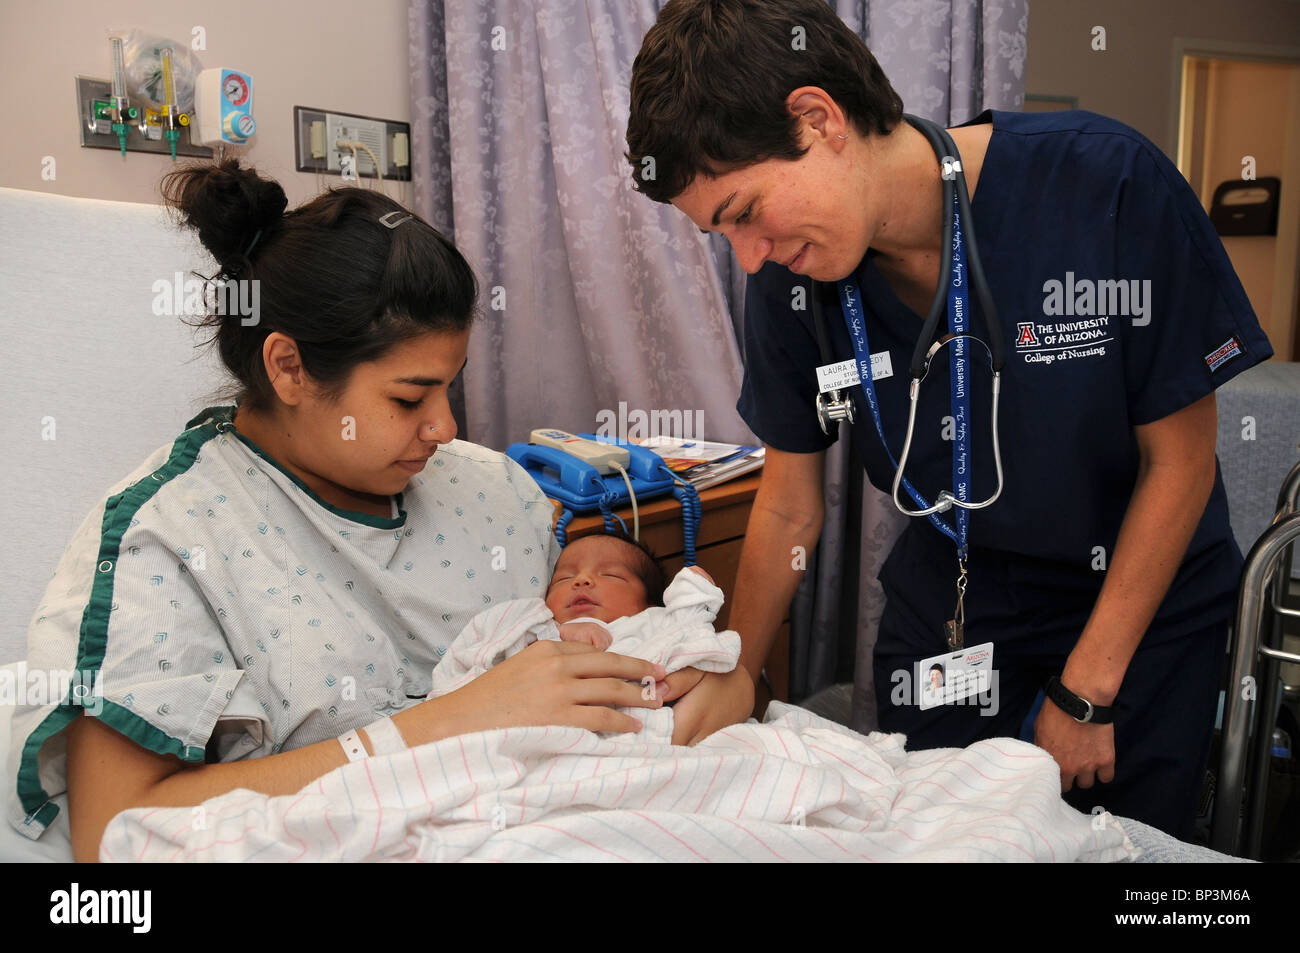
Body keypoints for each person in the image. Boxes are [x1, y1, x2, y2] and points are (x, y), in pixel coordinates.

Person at [624, 0, 1273, 837]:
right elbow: (788, 503)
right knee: (921, 830)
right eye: (723, 233)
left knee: (1123, 848)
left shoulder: (1105, 186)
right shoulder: (792, 286)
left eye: (744, 212)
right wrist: (739, 668)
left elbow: (1180, 464)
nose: (748, 255)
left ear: (818, 119)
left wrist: (1086, 688)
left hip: (1136, 593)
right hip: (958, 594)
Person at [7, 160, 666, 862]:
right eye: (409, 399)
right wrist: (446, 724)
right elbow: (117, 829)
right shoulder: (165, 543)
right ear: (288, 367)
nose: (445, 427)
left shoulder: (495, 493)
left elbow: (600, 650)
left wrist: (710, 679)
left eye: (450, 388)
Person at [427, 533, 742, 742]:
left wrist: (695, 592)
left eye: (610, 574)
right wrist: (558, 636)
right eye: (564, 577)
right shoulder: (533, 625)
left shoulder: (652, 623)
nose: (582, 580)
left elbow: (693, 633)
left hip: (652, 734)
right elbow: (482, 664)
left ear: (649, 602)